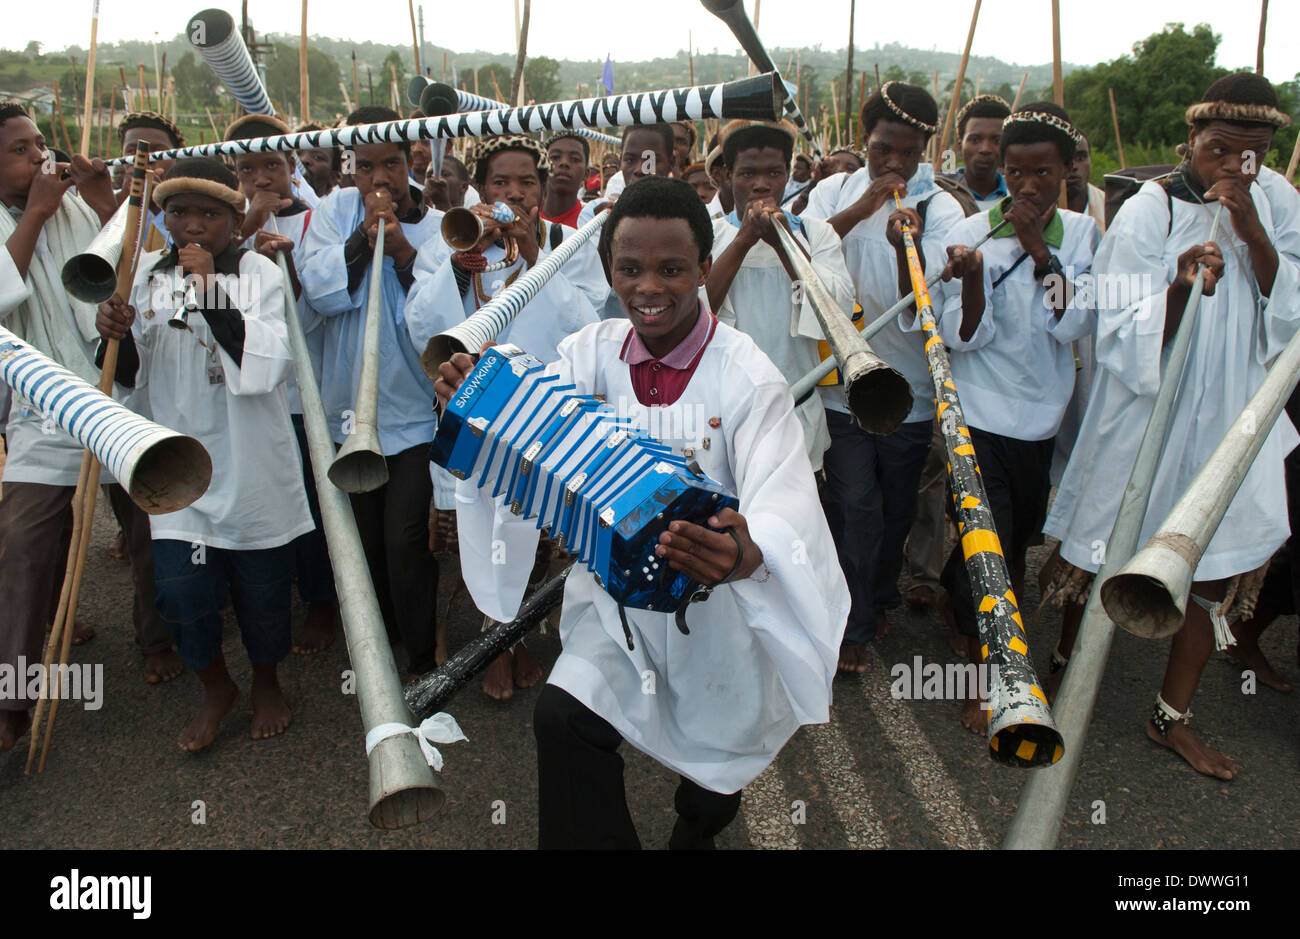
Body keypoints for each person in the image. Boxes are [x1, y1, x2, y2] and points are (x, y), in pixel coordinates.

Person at [434, 176, 848, 848]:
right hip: (613, 609)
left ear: (705, 269)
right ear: (607, 268)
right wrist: (476, 403)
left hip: (720, 621)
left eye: (672, 269)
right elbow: (529, 434)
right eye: (629, 268)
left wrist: (745, 552)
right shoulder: (587, 352)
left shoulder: (748, 375)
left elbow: (784, 497)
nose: (649, 287)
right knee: (564, 722)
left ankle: (698, 829)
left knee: (713, 779)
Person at [1043, 74, 1300, 779]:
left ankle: (1170, 715)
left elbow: (1293, 309)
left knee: (1207, 558)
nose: (1232, 167)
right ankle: (1069, 670)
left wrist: (1250, 230)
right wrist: (1180, 287)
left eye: (1250, 155)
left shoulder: (1278, 202)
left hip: (1229, 410)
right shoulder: (1149, 208)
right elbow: (1119, 324)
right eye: (1218, 149)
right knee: (1107, 541)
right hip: (1149, 404)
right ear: (1191, 141)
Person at [95, 158, 313, 751]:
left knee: (263, 596)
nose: (192, 225)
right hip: (180, 472)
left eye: (208, 214)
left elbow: (267, 365)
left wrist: (211, 287)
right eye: (179, 212)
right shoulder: (141, 276)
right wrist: (112, 331)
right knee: (184, 597)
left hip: (250, 469)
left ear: (234, 218)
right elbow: (130, 379)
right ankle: (218, 688)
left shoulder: (258, 273)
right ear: (162, 218)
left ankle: (266, 680)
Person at [405, 133, 600, 697]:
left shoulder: (570, 240)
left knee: (536, 530)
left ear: (542, 189)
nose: (513, 193)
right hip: (470, 407)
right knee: (477, 526)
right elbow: (423, 328)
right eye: (500, 183)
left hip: (542, 414)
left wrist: (537, 256)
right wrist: (461, 263)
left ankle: (513, 634)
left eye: (525, 182)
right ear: (479, 189)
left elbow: (587, 326)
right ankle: (497, 640)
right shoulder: (449, 243)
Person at [935, 103, 1099, 732]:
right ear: (1001, 170)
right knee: (995, 554)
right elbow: (960, 335)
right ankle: (993, 677)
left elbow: (1075, 322)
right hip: (975, 416)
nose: (1027, 187)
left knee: (1016, 541)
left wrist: (1037, 249)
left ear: (1066, 172)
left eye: (1043, 173)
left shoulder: (1083, 236)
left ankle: (958, 598)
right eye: (1016, 173)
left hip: (1040, 422)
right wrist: (973, 280)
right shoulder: (973, 232)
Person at [802, 82, 966, 673]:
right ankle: (856, 625)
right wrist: (866, 205)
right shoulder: (830, 192)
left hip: (911, 391)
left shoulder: (940, 207)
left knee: (896, 509)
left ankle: (878, 592)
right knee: (856, 505)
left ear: (925, 150)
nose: (894, 164)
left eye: (907, 153)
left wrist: (906, 245)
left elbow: (925, 304)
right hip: (839, 380)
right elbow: (805, 256)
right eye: (882, 150)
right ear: (863, 142)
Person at [299, 106, 444, 681]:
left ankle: (418, 651)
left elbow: (437, 316)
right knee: (364, 541)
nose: (378, 179)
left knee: (406, 538)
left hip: (409, 411)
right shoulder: (332, 213)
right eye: (365, 167)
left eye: (390, 164)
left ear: (411, 162)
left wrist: (403, 251)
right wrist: (363, 244)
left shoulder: (435, 226)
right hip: (348, 409)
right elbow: (319, 289)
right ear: (350, 168)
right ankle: (377, 642)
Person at [0, 103, 122, 749]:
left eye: (40, 143)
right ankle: (11, 699)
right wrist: (38, 214)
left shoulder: (75, 201)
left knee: (151, 524)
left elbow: (129, 261)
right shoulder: (43, 207)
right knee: (23, 541)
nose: (38, 156)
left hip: (119, 389)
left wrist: (105, 204)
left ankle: (167, 640)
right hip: (39, 407)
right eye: (20, 149)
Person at [227, 113, 340, 654]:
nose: (262, 177)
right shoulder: (223, 228)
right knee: (268, 492)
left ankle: (323, 599)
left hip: (305, 389)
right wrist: (247, 227)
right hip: (246, 395)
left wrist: (283, 262)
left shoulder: (317, 219)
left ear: (293, 164)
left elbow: (313, 312)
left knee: (316, 499)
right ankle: (272, 596)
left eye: (272, 164)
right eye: (248, 167)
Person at [706, 119, 849, 471]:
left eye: (773, 173)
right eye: (747, 174)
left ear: (788, 174)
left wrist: (783, 246)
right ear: (727, 174)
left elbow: (837, 311)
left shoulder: (818, 235)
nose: (760, 185)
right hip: (725, 411)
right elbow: (696, 311)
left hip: (796, 410)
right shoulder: (710, 235)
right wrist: (744, 240)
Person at [946, 94, 1011, 209]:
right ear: (961, 146)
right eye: (975, 140)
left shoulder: (1017, 198)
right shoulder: (940, 194)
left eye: (997, 140)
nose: (985, 149)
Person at [540, 131, 588, 228]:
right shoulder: (525, 217)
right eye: (555, 157)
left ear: (586, 174)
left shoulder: (592, 223)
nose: (564, 163)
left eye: (575, 159)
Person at [294, 122, 341, 199]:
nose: (303, 159)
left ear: (333, 177)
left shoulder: (337, 209)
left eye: (317, 157)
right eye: (297, 154)